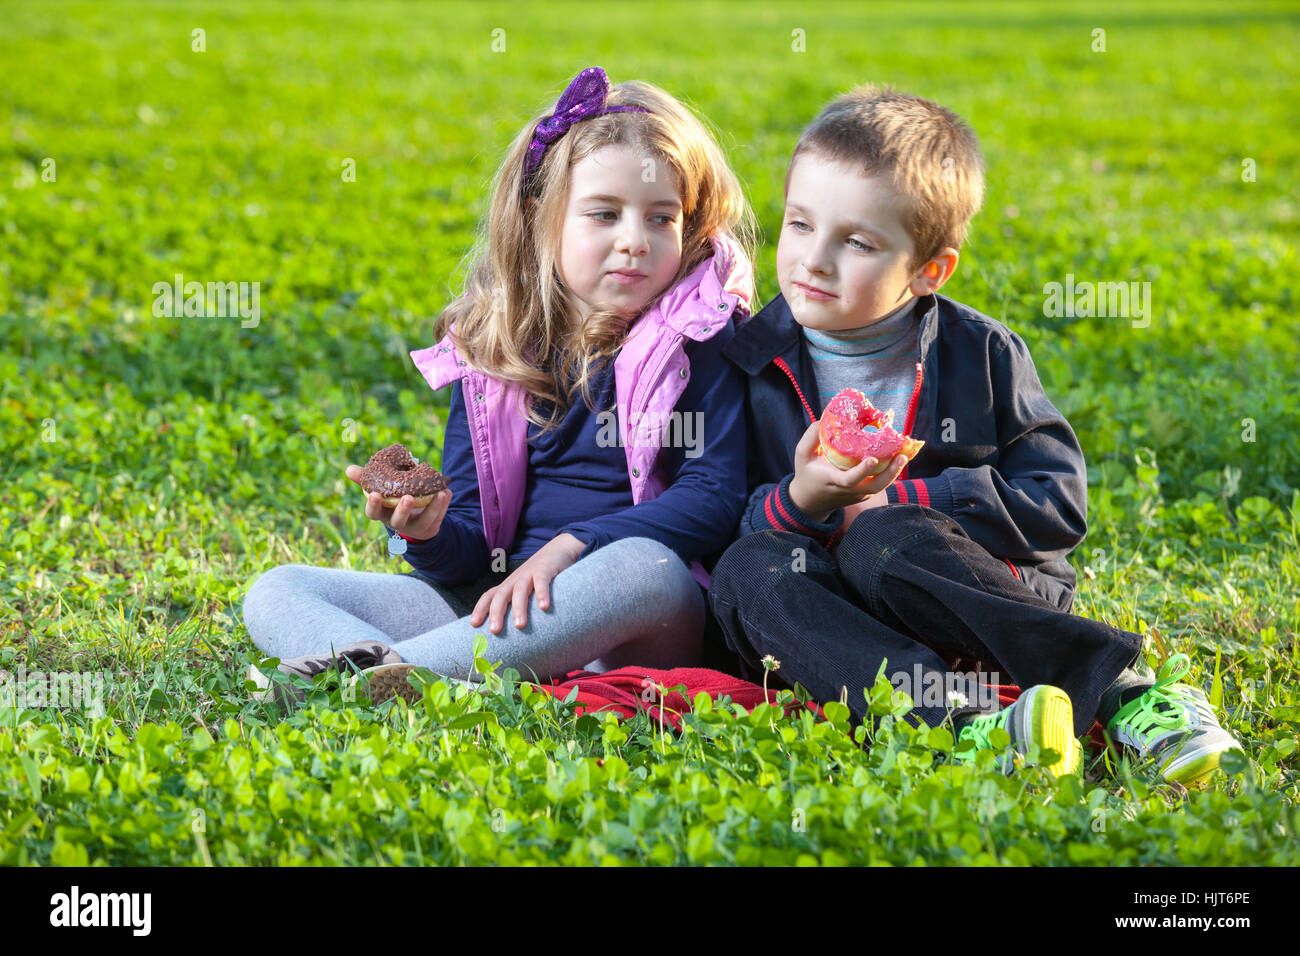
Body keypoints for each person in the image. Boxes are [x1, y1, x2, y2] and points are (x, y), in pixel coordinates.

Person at [707, 84, 1242, 787]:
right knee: (745, 571)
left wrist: (915, 500)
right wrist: (801, 498)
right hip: (842, 621)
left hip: (976, 594)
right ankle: (974, 728)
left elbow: (1058, 503)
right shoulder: (749, 360)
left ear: (930, 270)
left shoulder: (983, 353)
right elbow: (734, 519)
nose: (813, 259)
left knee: (882, 535)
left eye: (857, 242)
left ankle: (1127, 692)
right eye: (800, 225)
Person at [242, 66, 757, 707]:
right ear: (542, 216)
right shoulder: (496, 348)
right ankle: (396, 674)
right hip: (505, 611)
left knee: (645, 570)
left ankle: (390, 679)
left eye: (661, 219)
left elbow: (714, 497)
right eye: (604, 214)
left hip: (629, 619)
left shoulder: (700, 339)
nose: (635, 241)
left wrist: (572, 549)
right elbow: (471, 548)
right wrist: (426, 534)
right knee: (279, 588)